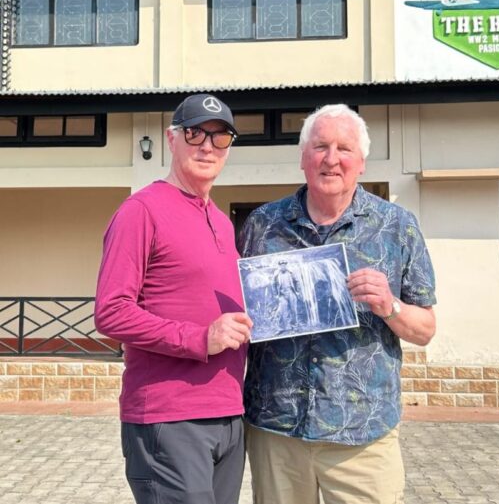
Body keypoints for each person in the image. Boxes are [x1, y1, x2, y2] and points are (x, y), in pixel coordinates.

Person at [239, 103, 437, 504]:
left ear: (361, 161)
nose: (331, 159)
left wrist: (390, 306)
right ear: (302, 158)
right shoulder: (262, 225)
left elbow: (426, 329)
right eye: (320, 147)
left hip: (363, 434)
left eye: (344, 148)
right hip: (277, 431)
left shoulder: (397, 226)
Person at [95, 93, 254, 504]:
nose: (207, 145)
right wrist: (199, 339)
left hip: (228, 415)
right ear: (171, 139)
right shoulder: (140, 211)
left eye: (220, 137)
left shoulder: (221, 220)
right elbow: (111, 312)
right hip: (170, 417)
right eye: (195, 132)